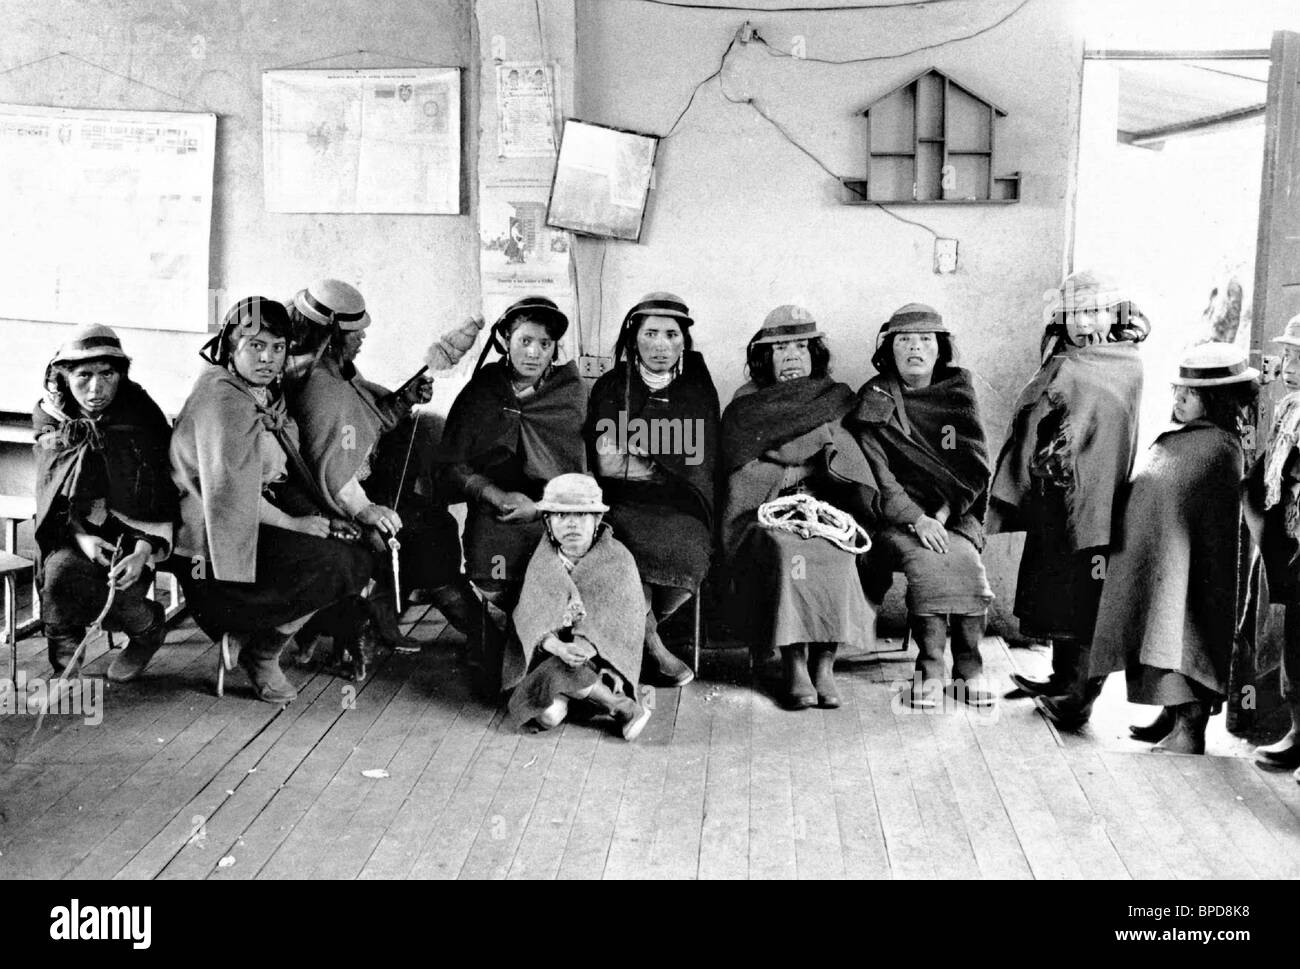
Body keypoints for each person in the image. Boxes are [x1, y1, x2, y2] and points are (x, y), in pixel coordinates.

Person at [170, 297, 373, 702]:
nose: (268, 358)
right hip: (209, 540)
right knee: (334, 562)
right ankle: (263, 652)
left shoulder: (259, 389)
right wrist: (299, 523)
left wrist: (322, 514)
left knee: (354, 548)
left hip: (252, 515)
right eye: (255, 346)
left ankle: (252, 641)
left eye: (277, 348)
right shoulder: (222, 399)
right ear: (230, 346)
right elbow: (230, 495)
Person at [1065, 343, 1259, 753]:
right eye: (1178, 390)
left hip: (1185, 572)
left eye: (1192, 394)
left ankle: (1189, 731)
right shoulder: (1184, 437)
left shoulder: (1220, 448)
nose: (1180, 399)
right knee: (1153, 634)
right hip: (1157, 563)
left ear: (1218, 400)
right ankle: (1168, 713)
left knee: (1179, 639)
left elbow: (1212, 522)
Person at [285, 278, 484, 658]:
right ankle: (478, 634)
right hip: (337, 502)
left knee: (433, 523)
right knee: (428, 531)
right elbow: (333, 470)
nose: (362, 338)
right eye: (355, 332)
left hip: (361, 488)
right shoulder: (321, 387)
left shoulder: (339, 370)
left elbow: (367, 423)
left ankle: (399, 614)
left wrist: (404, 400)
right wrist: (365, 511)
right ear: (332, 333)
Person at [987, 271, 1149, 711]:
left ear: (1115, 315)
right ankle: (1059, 677)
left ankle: (1080, 694)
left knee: (1083, 590)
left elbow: (1109, 432)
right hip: (1053, 495)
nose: (1083, 322)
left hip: (1094, 498)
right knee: (1052, 585)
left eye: (1094, 311)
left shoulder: (1122, 363)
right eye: (1075, 312)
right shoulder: (1063, 357)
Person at [719, 305, 877, 710]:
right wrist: (802, 458)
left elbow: (847, 459)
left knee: (839, 556)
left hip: (826, 510)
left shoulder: (833, 397)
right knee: (792, 557)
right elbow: (741, 470)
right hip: (765, 513)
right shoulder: (746, 404)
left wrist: (799, 459)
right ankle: (794, 664)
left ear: (815, 354)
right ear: (764, 358)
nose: (791, 357)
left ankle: (824, 665)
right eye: (780, 348)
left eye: (801, 347)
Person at [437, 296, 587, 693]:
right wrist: (491, 495)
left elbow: (580, 477)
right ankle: (502, 648)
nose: (535, 352)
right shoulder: (484, 390)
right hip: (496, 511)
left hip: (554, 515)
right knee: (496, 579)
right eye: (525, 341)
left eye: (545, 343)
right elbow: (453, 463)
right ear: (505, 339)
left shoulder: (569, 393)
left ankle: (544, 661)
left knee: (557, 581)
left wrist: (539, 508)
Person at [850, 303, 996, 710]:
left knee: (965, 561)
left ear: (940, 348)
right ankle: (930, 670)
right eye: (905, 340)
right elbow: (880, 478)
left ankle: (969, 669)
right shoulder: (875, 399)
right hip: (894, 515)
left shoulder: (957, 394)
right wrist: (916, 518)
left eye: (925, 339)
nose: (915, 347)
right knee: (930, 564)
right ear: (889, 349)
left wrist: (942, 517)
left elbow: (971, 468)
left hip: (954, 512)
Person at [585, 292, 719, 687]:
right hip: (620, 503)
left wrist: (642, 455)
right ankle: (652, 646)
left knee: (690, 553)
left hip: (683, 506)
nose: (662, 345)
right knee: (620, 548)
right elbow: (607, 461)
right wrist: (659, 461)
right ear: (634, 338)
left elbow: (698, 459)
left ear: (684, 341)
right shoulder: (612, 386)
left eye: (671, 335)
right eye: (652, 334)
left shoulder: (696, 388)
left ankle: (625, 639)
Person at [32, 324, 176, 681]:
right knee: (59, 573)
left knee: (122, 591)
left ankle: (148, 630)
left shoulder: (141, 413)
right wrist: (81, 536)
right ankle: (66, 669)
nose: (95, 388)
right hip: (72, 527)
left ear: (120, 374)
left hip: (133, 529)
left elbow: (163, 485)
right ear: (65, 376)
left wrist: (143, 550)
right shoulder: (51, 416)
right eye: (83, 375)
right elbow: (53, 488)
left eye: (106, 374)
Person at [505, 473, 651, 741]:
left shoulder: (617, 560)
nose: (571, 524)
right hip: (550, 655)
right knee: (549, 715)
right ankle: (594, 700)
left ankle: (620, 705)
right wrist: (559, 647)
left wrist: (588, 652)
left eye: (582, 514)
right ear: (547, 522)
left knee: (563, 677)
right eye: (560, 516)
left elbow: (622, 625)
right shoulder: (544, 561)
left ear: (597, 520)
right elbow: (530, 617)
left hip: (597, 660)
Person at [1246, 313, 1300, 780]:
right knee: (1295, 637)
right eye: (1288, 353)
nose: (1290, 363)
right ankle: (1298, 731)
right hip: (1292, 540)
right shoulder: (1288, 408)